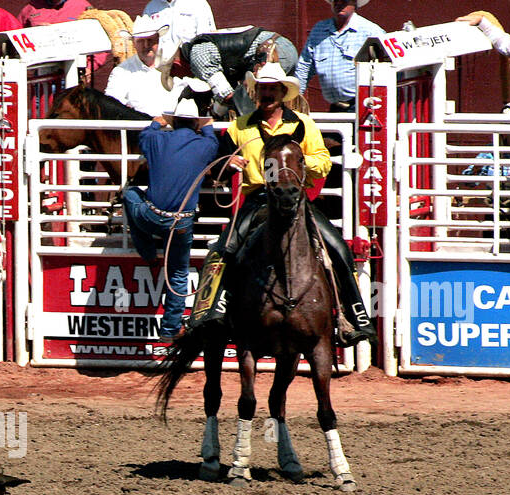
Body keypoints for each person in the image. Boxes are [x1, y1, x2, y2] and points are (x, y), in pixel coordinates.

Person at [192, 62, 374, 346]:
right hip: (257, 200)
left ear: (282, 92)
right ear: (257, 92)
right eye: (262, 89)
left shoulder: (303, 124)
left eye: (272, 89)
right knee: (223, 249)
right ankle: (210, 311)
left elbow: (324, 163)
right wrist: (228, 163)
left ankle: (355, 316)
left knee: (338, 247)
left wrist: (294, 164)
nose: (267, 94)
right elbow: (217, 169)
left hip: (296, 200)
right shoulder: (239, 127)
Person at [120, 94, 218, 340]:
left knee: (130, 194)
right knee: (178, 273)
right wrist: (207, 126)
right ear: (195, 124)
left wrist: (158, 122)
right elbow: (212, 139)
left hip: (151, 215)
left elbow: (144, 135)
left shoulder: (156, 139)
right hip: (181, 222)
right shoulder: (205, 145)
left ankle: (148, 253)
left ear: (173, 121)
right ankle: (169, 330)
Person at [161, 25, 298, 119]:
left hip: (272, 52)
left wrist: (214, 113)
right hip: (280, 47)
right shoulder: (202, 46)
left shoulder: (197, 55)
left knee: (254, 109)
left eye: (174, 74)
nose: (182, 76)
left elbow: (227, 95)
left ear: (175, 65)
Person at [294, 1, 384, 112]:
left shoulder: (371, 31)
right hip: (335, 107)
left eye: (344, 1)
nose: (339, 4)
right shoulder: (319, 30)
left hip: (363, 107)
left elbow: (387, 68)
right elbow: (304, 67)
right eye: (335, 0)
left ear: (355, 3)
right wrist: (295, 100)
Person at [106, 15, 195, 116]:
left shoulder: (176, 65)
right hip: (139, 129)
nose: (146, 45)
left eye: (150, 40)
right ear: (134, 43)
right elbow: (111, 105)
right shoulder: (121, 71)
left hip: (176, 127)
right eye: (140, 41)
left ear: (158, 40)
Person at [141, 0, 215, 65]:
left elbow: (206, 41)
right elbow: (144, 40)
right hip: (159, 68)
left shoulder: (199, 4)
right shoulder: (150, 7)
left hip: (189, 67)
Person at [18, 0, 93, 29]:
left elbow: (100, 37)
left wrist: (91, 63)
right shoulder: (31, 8)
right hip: (40, 61)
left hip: (76, 61)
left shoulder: (82, 6)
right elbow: (16, 37)